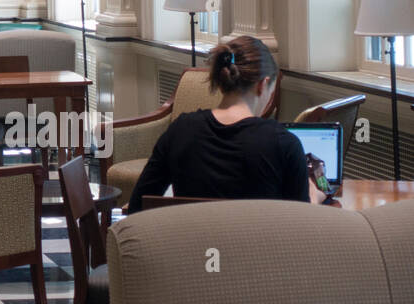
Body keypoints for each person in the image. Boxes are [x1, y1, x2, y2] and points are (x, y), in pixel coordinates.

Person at [126, 35, 327, 213]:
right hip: (260, 254)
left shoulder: (181, 130)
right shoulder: (284, 144)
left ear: (221, 81)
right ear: (263, 85)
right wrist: (314, 197)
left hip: (189, 252)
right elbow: (300, 225)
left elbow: (138, 205)